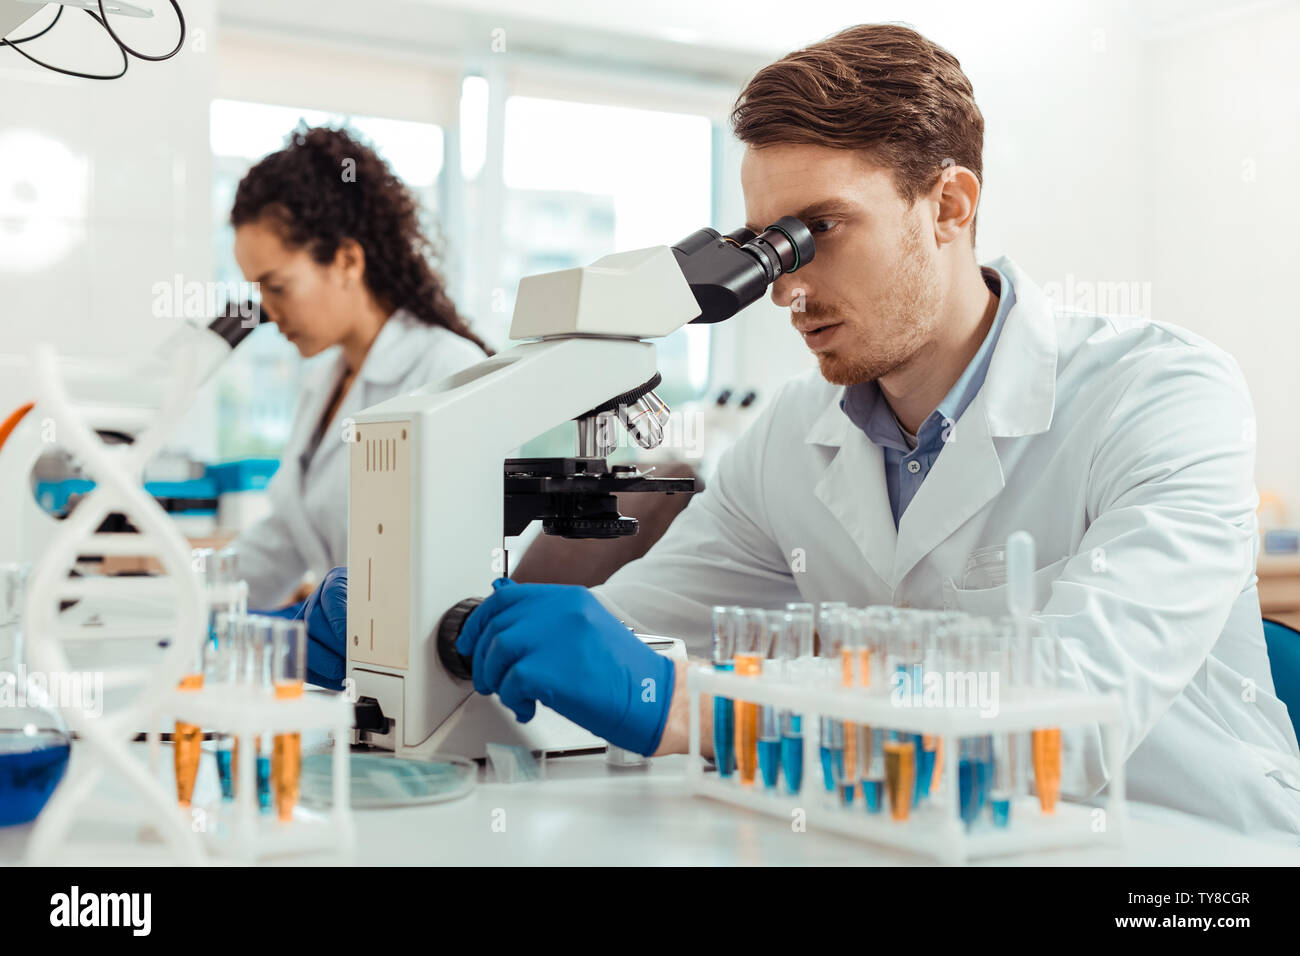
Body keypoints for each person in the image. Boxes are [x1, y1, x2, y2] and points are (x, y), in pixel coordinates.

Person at [300, 26, 1300, 841]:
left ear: (948, 205)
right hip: (922, 835)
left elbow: (1071, 722)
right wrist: (440, 634)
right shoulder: (791, 435)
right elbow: (627, 643)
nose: (783, 283)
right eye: (764, 243)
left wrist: (693, 708)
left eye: (819, 230)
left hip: (1181, 848)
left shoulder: (1161, 394)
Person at [228, 126, 490, 610]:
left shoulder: (447, 370)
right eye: (256, 290)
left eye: (277, 286)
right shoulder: (324, 382)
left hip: (428, 674)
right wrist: (179, 591)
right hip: (345, 671)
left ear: (347, 260)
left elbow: (459, 569)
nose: (264, 311)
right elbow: (285, 539)